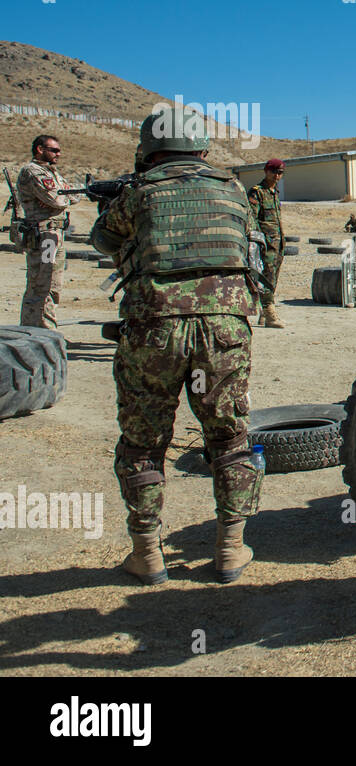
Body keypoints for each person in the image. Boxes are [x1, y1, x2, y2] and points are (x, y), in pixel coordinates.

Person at [91, 105, 265, 586]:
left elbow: (102, 239)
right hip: (225, 328)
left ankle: (147, 554)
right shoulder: (233, 189)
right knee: (229, 438)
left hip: (154, 327)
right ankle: (230, 548)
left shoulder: (140, 192)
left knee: (144, 442)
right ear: (202, 148)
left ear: (148, 149)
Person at [16, 134, 81, 328]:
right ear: (39, 149)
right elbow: (57, 199)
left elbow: (72, 195)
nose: (58, 154)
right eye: (54, 150)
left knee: (53, 285)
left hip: (54, 235)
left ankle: (38, 329)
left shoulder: (52, 172)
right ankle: (42, 331)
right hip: (44, 237)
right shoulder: (32, 171)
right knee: (42, 285)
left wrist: (66, 195)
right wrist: (65, 196)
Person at [246, 159, 286, 327]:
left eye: (280, 173)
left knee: (273, 277)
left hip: (278, 244)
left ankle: (265, 311)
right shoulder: (257, 192)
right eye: (274, 172)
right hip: (265, 244)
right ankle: (269, 313)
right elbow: (252, 219)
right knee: (266, 277)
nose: (277, 176)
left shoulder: (274, 193)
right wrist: (258, 242)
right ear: (266, 171)